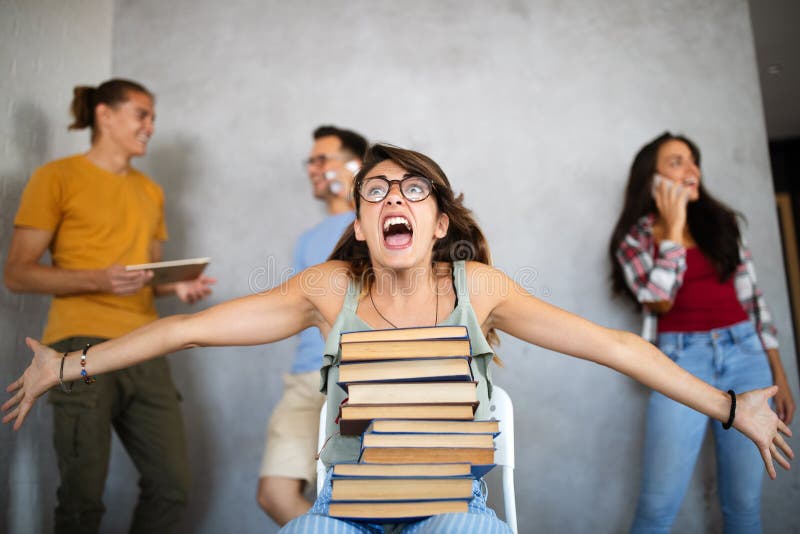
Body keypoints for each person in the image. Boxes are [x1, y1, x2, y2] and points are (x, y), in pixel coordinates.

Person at [4, 144, 792, 534]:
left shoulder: (478, 289)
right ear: (360, 225)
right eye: (374, 189)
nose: (392, 197)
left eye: (412, 188)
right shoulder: (329, 290)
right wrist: (66, 364)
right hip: (345, 513)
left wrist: (731, 406)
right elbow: (187, 333)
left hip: (450, 509)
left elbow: (619, 347)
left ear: (438, 222)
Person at [3, 79, 215, 533]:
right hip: (77, 344)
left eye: (153, 117)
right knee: (81, 500)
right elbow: (16, 273)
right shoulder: (56, 177)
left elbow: (147, 278)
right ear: (105, 114)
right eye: (142, 114)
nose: (151, 126)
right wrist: (98, 278)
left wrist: (175, 288)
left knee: (172, 486)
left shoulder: (150, 191)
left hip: (146, 345)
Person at [608, 132, 796, 533]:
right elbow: (658, 299)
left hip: (747, 355)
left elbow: (753, 301)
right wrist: (673, 228)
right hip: (679, 362)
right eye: (676, 162)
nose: (691, 170)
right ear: (652, 179)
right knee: (657, 507)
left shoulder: (722, 223)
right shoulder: (635, 239)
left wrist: (778, 371)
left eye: (693, 161)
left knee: (743, 506)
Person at [257, 125, 367, 525]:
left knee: (359, 500)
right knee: (275, 493)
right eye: (311, 161)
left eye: (323, 159)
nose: (313, 169)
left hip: (359, 378)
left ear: (355, 165)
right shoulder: (306, 240)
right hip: (306, 378)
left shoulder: (378, 225)